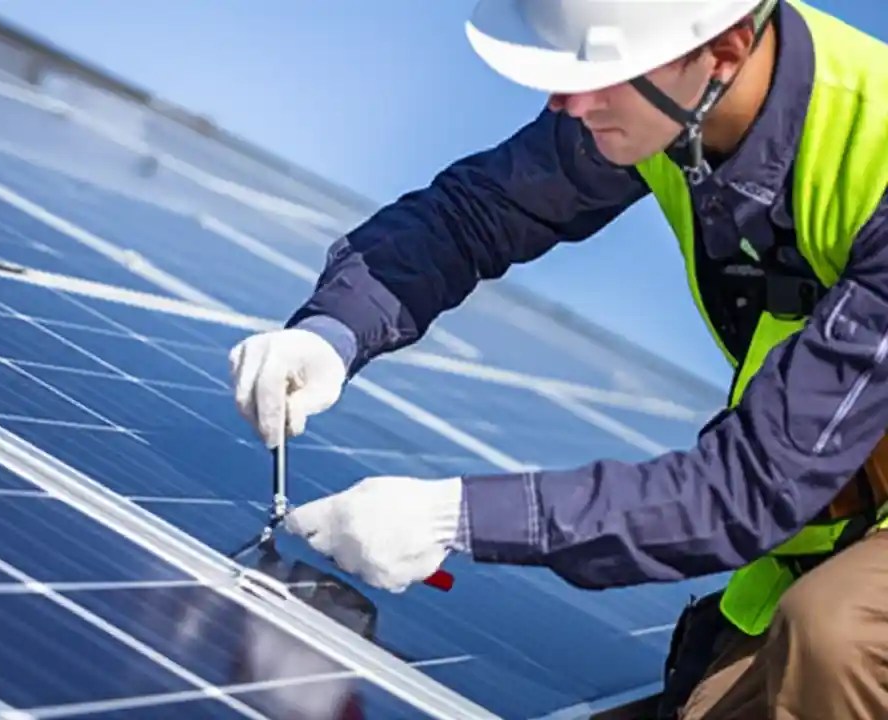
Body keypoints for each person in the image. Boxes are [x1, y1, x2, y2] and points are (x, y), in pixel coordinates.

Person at [227, 1, 888, 717]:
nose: (567, 101)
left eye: (604, 74)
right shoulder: (674, 106)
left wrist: (456, 517)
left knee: (833, 634)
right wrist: (333, 329)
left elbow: (745, 490)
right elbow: (479, 212)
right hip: (839, 516)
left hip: (835, 563)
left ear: (724, 52)